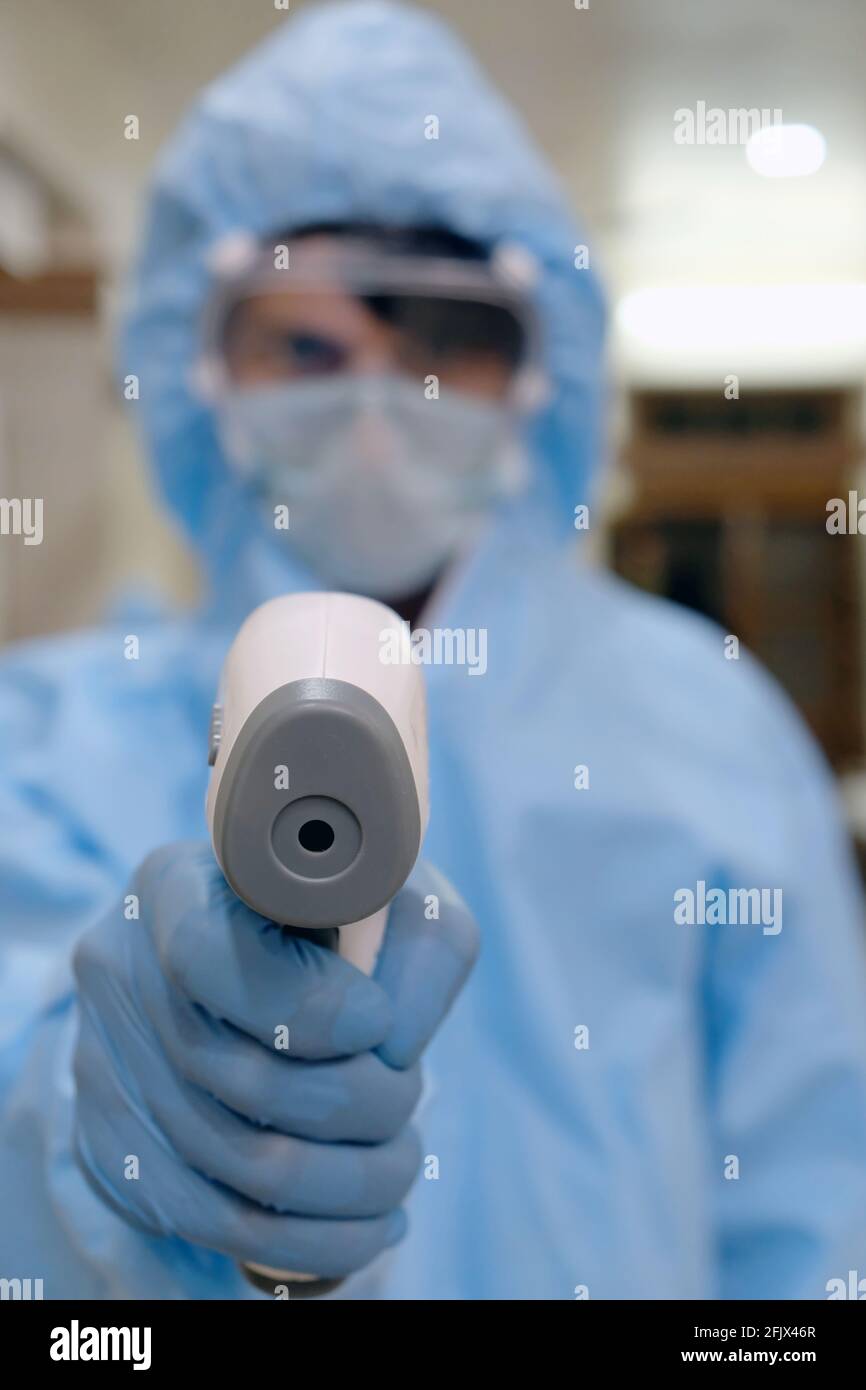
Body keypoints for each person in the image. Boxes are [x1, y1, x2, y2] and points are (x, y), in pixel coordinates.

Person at [2, 0, 866, 1301]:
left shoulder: (707, 721)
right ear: (199, 368)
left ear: (535, 368)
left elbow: (813, 1196)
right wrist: (111, 1148)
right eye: (304, 344)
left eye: (436, 341)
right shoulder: (42, 743)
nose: (370, 406)